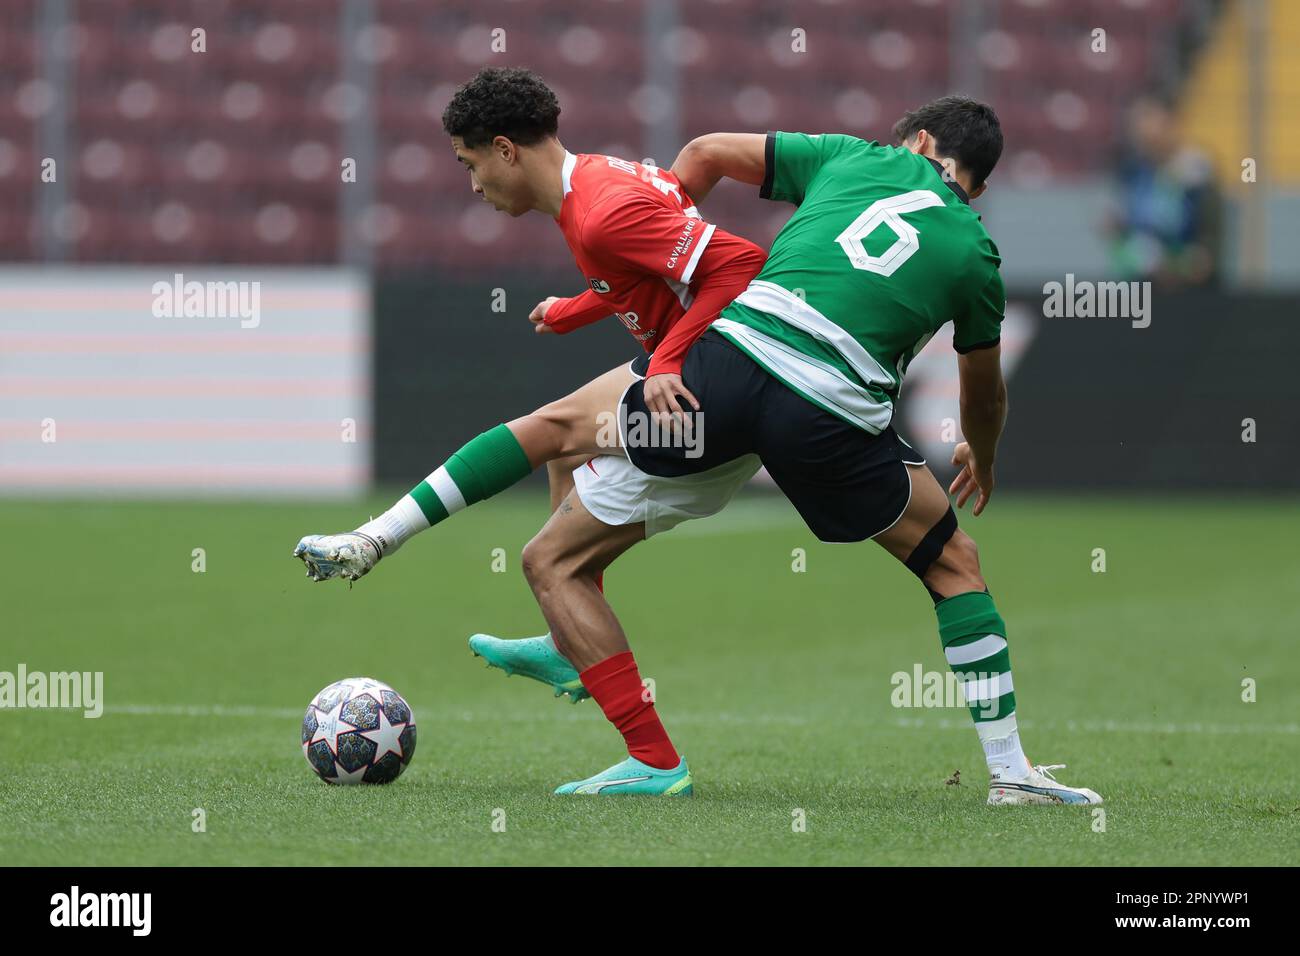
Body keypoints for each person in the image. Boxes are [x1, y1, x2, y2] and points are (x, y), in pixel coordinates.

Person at [477, 98, 1104, 805]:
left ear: (918, 140)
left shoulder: (856, 157)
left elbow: (709, 148)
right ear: (979, 187)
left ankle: (608, 691)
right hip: (829, 416)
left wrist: (659, 232)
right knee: (953, 564)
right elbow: (983, 396)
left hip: (737, 368)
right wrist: (981, 457)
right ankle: (1010, 771)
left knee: (560, 446)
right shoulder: (976, 255)